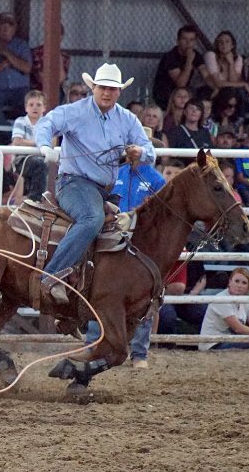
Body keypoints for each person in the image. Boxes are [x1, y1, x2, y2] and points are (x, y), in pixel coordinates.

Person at [33, 63, 155, 305]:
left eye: (112, 88)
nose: (107, 93)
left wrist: (139, 150)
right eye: (102, 88)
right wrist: (45, 147)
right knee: (92, 218)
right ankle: (51, 275)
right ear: (93, 88)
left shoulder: (127, 119)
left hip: (105, 191)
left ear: (119, 91)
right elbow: (46, 124)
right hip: (73, 183)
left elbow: (150, 151)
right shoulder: (75, 112)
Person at [82, 127, 167, 368]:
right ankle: (97, 344)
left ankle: (138, 352)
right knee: (103, 289)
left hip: (140, 241)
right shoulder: (116, 174)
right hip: (114, 236)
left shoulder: (156, 180)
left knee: (141, 297)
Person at [198, 267, 249, 351]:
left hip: (229, 341)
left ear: (248, 287)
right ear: (229, 282)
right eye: (236, 281)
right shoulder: (221, 299)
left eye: (244, 283)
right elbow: (238, 328)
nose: (239, 285)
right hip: (213, 345)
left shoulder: (246, 301)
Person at [153, 25, 205, 108]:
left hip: (185, 96)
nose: (188, 43)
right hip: (166, 97)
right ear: (178, 41)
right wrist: (189, 61)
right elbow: (181, 83)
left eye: (191, 40)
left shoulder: (196, 55)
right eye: (184, 39)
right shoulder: (170, 57)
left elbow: (206, 74)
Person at [10, 90, 48, 201]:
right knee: (39, 163)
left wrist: (31, 143)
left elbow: (52, 142)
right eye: (31, 105)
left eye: (38, 105)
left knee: (41, 163)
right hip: (21, 160)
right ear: (26, 108)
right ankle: (34, 200)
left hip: (42, 159)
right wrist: (38, 143)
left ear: (44, 108)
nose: (34, 108)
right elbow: (17, 141)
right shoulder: (20, 121)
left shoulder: (47, 123)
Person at [201, 30, 249, 115]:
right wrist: (242, 84)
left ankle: (239, 119)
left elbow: (234, 81)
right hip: (210, 88)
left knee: (237, 92)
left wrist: (230, 63)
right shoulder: (211, 55)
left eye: (227, 42)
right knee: (230, 91)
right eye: (221, 42)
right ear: (217, 45)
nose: (224, 45)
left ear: (232, 45)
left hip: (226, 91)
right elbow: (218, 83)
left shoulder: (238, 58)